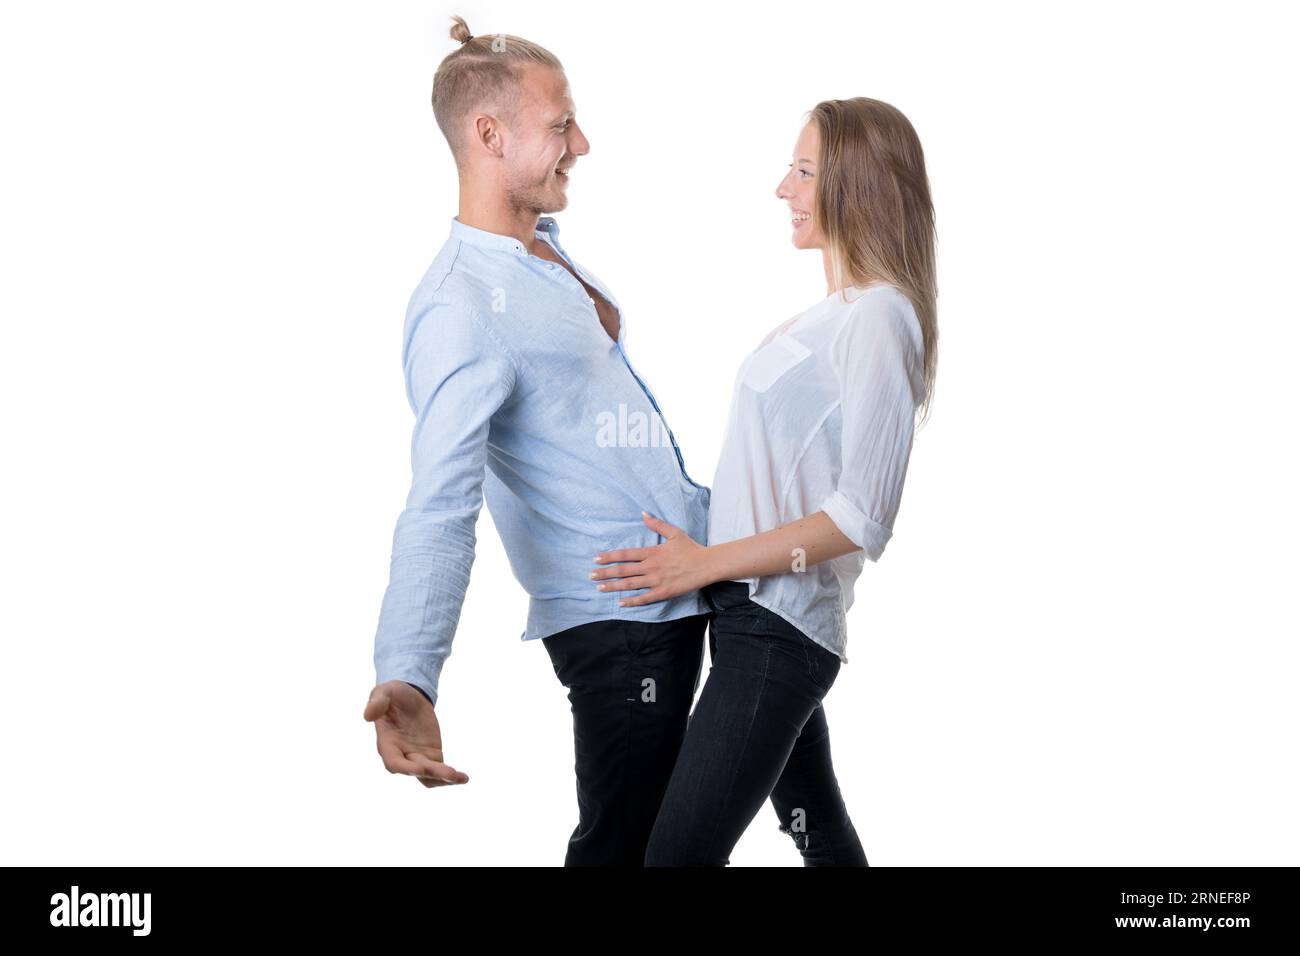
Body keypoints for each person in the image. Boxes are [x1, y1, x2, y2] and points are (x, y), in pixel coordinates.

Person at [362, 16, 713, 866]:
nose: (582, 143)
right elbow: (440, 501)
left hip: (684, 590)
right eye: (560, 125)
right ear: (490, 135)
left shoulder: (543, 254)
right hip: (620, 622)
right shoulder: (458, 308)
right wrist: (409, 666)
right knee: (627, 851)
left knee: (683, 845)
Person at [589, 98, 939, 865]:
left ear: (859, 185)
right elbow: (770, 483)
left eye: (805, 171)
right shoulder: (830, 315)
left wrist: (704, 562)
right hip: (754, 616)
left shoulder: (880, 318)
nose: (784, 188)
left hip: (778, 629)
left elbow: (860, 520)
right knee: (820, 832)